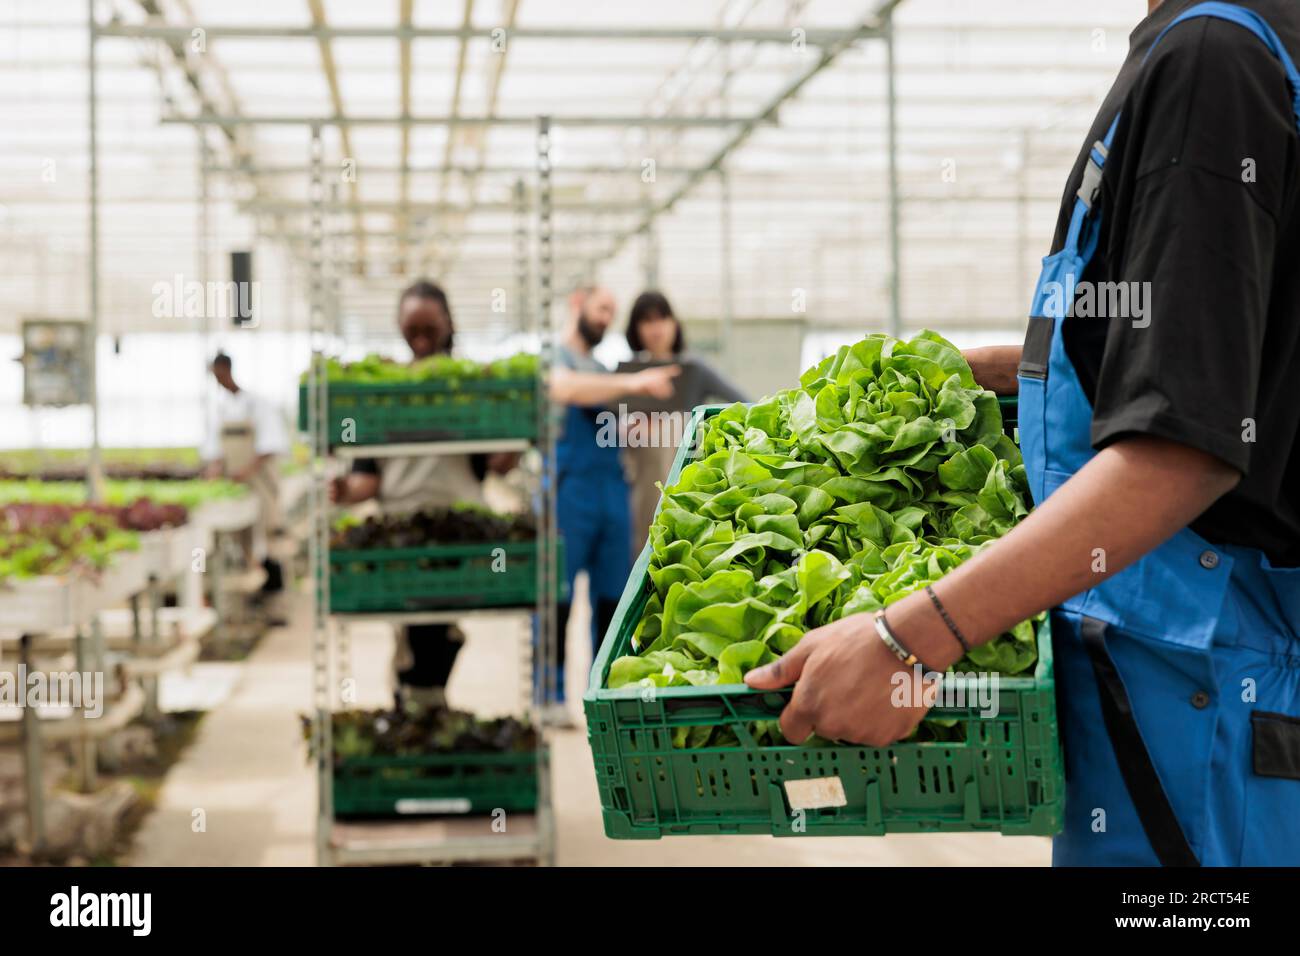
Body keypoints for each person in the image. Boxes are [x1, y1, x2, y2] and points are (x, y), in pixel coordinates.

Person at [745, 0, 1300, 867]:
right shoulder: (1238, 43)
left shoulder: (1211, 56)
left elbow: (1181, 450)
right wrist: (1023, 369)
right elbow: (1226, 351)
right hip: (1169, 683)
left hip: (1202, 700)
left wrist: (905, 639)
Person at [330, 279, 516, 707]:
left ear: (448, 324)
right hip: (399, 538)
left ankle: (419, 704)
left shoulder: (470, 388)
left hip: (460, 536)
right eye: (411, 328)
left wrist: (520, 434)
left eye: (428, 328)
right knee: (418, 630)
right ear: (398, 326)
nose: (420, 338)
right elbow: (368, 478)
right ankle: (418, 703)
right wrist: (343, 490)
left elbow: (497, 464)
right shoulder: (384, 394)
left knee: (439, 629)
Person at [543, 286, 679, 723]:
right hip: (569, 492)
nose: (606, 318)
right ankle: (549, 695)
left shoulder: (602, 368)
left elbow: (617, 424)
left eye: (611, 312)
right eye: (602, 308)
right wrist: (633, 382)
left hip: (611, 491)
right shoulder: (556, 358)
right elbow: (564, 390)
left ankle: (604, 691)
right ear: (576, 301)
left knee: (612, 597)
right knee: (556, 596)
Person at [620, 290, 748, 555]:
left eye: (662, 318)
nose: (656, 328)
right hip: (643, 488)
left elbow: (741, 402)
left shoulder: (693, 371)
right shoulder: (628, 374)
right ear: (635, 329)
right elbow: (608, 424)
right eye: (646, 320)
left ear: (674, 324)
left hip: (686, 480)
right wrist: (630, 428)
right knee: (646, 552)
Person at [201, 352, 290, 599]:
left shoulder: (257, 404)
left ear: (227, 369)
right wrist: (217, 468)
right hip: (236, 482)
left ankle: (276, 583)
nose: (217, 380)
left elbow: (270, 445)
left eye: (218, 374)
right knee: (243, 532)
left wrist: (247, 470)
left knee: (271, 527)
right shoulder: (221, 408)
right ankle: (259, 576)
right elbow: (215, 448)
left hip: (260, 479)